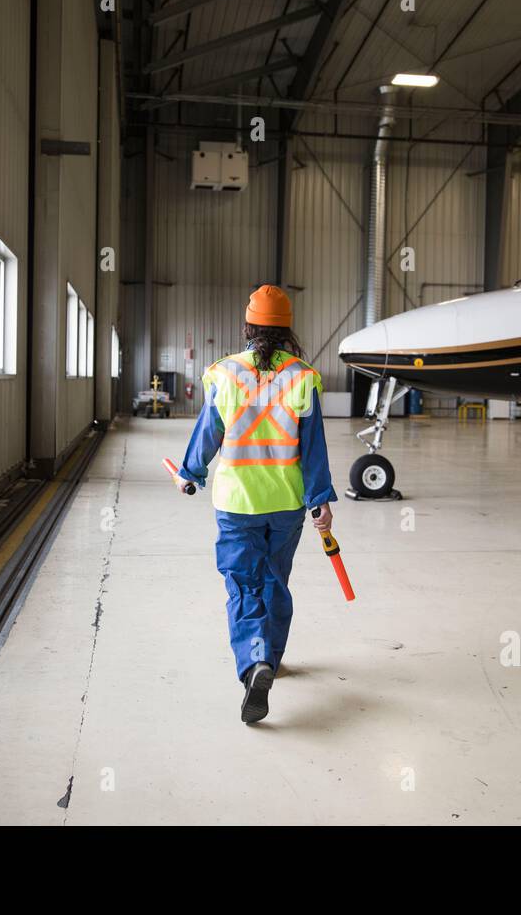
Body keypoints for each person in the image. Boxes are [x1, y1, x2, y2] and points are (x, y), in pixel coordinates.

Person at [172, 285, 337, 724]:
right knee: (275, 581)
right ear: (287, 329)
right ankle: (272, 658)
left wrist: (189, 474)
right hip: (286, 502)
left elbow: (209, 432)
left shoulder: (225, 373)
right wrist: (319, 499)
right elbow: (313, 446)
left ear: (248, 325)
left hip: (236, 502)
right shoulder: (303, 376)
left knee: (244, 584)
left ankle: (254, 662)